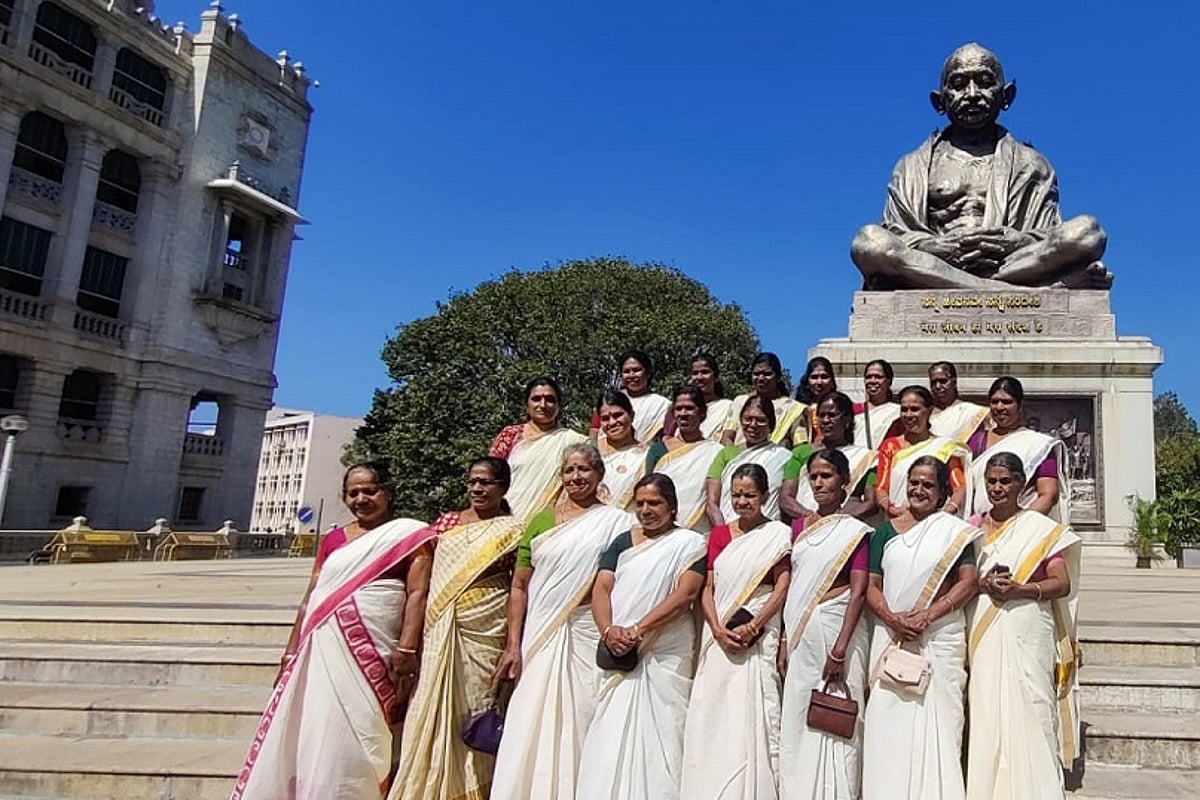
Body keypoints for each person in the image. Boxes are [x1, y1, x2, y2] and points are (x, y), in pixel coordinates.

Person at [233, 463, 434, 800]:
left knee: (366, 724)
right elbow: (311, 598)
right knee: (317, 724)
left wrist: (407, 648)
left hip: (377, 652)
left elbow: (418, 593)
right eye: (353, 493)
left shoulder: (409, 535)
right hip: (321, 648)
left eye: (369, 491)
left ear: (387, 492)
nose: (361, 499)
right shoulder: (333, 540)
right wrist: (289, 652)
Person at [850, 43, 1110, 291]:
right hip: (934, 262)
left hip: (1012, 263)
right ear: (939, 101)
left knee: (1088, 232)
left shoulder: (1033, 164)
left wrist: (1019, 241)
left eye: (985, 82)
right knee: (868, 242)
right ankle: (1011, 291)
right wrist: (934, 247)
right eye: (958, 84)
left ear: (1006, 96)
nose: (972, 94)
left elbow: (1048, 233)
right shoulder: (911, 166)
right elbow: (898, 232)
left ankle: (972, 285)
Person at [490, 444, 634, 800]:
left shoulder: (618, 522)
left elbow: (623, 582)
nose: (576, 477)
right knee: (531, 712)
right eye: (569, 470)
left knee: (583, 712)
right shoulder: (541, 521)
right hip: (542, 631)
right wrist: (513, 644)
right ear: (561, 476)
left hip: (587, 628)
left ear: (599, 474)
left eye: (584, 469)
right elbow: (519, 585)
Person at [390, 458, 526, 800]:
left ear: (503, 487)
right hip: (439, 627)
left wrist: (514, 642)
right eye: (473, 481)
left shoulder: (514, 530)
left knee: (477, 706)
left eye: (486, 482)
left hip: (486, 628)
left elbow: (519, 586)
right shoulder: (445, 524)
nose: (477, 488)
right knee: (430, 706)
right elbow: (421, 575)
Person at [576, 474, 708, 800]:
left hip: (665, 650)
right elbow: (601, 588)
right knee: (610, 728)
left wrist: (638, 630)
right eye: (641, 503)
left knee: (663, 731)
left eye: (655, 503)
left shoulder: (690, 543)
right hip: (619, 649)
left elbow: (685, 595)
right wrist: (609, 631)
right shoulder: (622, 542)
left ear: (672, 506)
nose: (646, 510)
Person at [862, 457, 982, 800]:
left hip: (939, 639)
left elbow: (968, 582)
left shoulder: (954, 533)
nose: (918, 490)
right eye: (914, 483)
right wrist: (892, 618)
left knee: (941, 725)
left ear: (943, 491)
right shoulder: (884, 532)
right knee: (885, 720)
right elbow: (871, 585)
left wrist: (929, 615)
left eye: (928, 485)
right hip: (893, 640)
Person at [965, 453, 1081, 800]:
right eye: (991, 481)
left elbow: (1061, 583)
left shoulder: (1039, 530)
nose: (997, 488)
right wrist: (984, 584)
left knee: (1032, 706)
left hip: (1029, 627)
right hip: (984, 628)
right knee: (986, 708)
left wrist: (1021, 590)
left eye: (1006, 481)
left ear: (1021, 484)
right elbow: (961, 581)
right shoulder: (971, 528)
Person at [681, 464, 792, 800]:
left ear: (764, 496)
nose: (742, 502)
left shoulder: (778, 534)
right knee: (714, 704)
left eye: (750, 495)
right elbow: (709, 587)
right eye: (737, 495)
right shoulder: (719, 535)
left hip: (758, 631)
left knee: (755, 704)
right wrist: (716, 629)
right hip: (720, 633)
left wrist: (756, 623)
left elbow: (782, 584)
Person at [778, 449, 872, 800]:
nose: (819, 483)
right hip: (801, 633)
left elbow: (859, 590)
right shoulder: (798, 528)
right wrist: (785, 640)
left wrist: (840, 649)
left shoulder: (855, 531)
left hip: (838, 630)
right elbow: (794, 586)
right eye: (813, 477)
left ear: (844, 482)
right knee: (799, 709)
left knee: (839, 712)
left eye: (826, 476)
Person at [966, 376, 1066, 520]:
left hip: (1022, 525)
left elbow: (1048, 494)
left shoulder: (1038, 444)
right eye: (994, 401)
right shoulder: (976, 440)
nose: (999, 407)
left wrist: (1017, 524)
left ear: (1020, 405)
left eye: (1006, 402)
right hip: (981, 524)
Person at [490, 377, 587, 520]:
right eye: (536, 399)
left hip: (547, 521)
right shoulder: (510, 435)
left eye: (550, 399)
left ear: (559, 406)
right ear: (526, 405)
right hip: (504, 518)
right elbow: (489, 477)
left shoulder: (574, 441)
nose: (543, 405)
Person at [781, 392, 878, 523]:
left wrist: (837, 520)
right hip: (805, 526)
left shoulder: (867, 458)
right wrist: (813, 518)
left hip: (844, 527)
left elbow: (871, 503)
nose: (826, 420)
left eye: (832, 415)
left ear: (847, 420)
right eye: (821, 416)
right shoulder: (801, 453)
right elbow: (786, 498)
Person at [877, 385, 969, 519]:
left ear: (929, 411)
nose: (908, 415)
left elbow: (959, 488)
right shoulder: (890, 446)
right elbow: (881, 488)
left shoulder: (945, 447)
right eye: (904, 409)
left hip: (933, 521)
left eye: (915, 409)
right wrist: (891, 509)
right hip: (898, 519)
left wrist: (946, 512)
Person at [646, 385, 725, 533]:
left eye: (689, 408)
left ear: (702, 413)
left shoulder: (716, 451)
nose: (683, 413)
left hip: (699, 532)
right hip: (661, 529)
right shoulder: (658, 450)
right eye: (678, 409)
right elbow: (647, 492)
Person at [706, 395, 793, 528]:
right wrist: (724, 532)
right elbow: (712, 503)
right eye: (748, 419)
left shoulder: (784, 457)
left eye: (760, 420)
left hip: (768, 532)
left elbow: (788, 500)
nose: (753, 425)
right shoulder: (725, 455)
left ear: (771, 425)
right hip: (728, 531)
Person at [591, 350, 672, 444]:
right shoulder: (609, 401)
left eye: (636, 370)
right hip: (605, 451)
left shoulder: (662, 405)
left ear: (648, 373)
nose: (631, 375)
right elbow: (594, 430)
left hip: (643, 452)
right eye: (626, 371)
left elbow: (667, 436)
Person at [722, 353, 800, 447]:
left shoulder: (793, 409)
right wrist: (735, 454)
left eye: (767, 374)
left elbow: (800, 445)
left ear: (778, 377)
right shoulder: (740, 402)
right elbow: (727, 437)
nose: (761, 378)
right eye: (756, 374)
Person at [595, 390, 648, 511]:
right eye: (605, 418)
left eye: (618, 415)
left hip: (627, 519)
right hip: (590, 518)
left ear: (631, 415)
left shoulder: (646, 456)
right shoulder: (590, 451)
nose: (612, 422)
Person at [928, 361, 990, 445]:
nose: (937, 386)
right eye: (933, 383)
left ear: (954, 382)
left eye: (943, 381)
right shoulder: (924, 413)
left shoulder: (971, 411)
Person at [854, 359, 904, 450]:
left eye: (878, 377)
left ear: (889, 381)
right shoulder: (854, 410)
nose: (872, 381)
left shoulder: (899, 411)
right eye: (868, 377)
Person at [793, 357, 839, 445]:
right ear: (807, 383)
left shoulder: (841, 408)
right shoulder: (798, 410)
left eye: (824, 377)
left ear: (832, 382)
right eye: (814, 377)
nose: (819, 382)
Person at [691, 352, 734, 441]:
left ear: (715, 376)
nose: (699, 377)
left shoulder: (727, 407)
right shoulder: (683, 408)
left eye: (705, 372)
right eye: (695, 373)